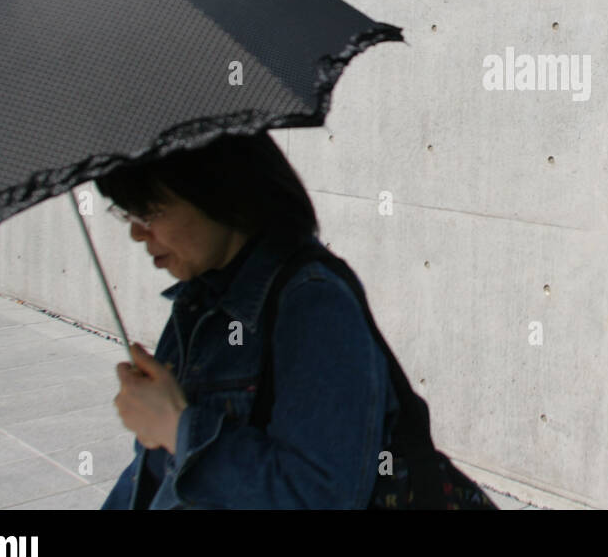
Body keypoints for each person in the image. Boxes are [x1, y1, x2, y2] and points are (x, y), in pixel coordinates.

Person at [97, 132, 398, 509]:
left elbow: (320, 496)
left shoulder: (313, 304)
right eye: (127, 212)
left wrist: (177, 427)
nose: (136, 232)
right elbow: (156, 476)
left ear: (220, 191)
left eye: (150, 211)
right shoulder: (199, 299)